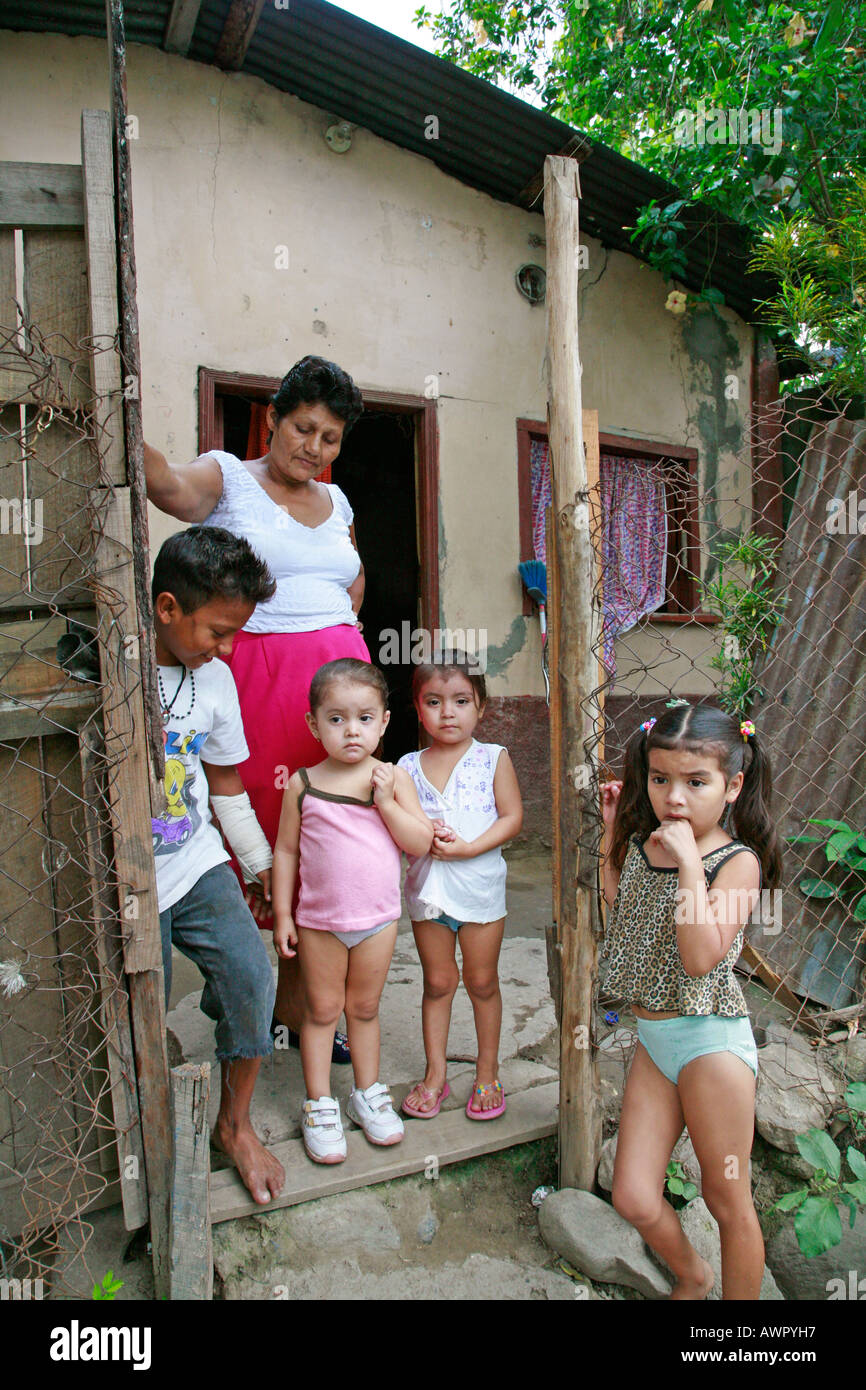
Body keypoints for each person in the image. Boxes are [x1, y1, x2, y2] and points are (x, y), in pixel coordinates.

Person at [144, 356, 368, 1061]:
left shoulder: (341, 505)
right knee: (264, 848)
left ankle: (305, 1011)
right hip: (261, 689)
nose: (314, 448)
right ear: (274, 417)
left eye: (330, 438)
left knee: (325, 849)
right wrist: (115, 417)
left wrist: (342, 643)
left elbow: (352, 580)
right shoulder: (228, 476)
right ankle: (244, 990)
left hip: (334, 702)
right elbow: (169, 490)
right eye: (304, 428)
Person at [600, 701, 782, 1300]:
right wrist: (610, 834)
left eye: (695, 783)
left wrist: (687, 867)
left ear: (731, 787)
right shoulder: (646, 844)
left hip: (709, 1042)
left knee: (725, 1197)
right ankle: (693, 1276)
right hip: (656, 1039)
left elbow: (701, 956)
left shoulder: (737, 863)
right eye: (660, 780)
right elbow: (621, 906)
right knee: (630, 1194)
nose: (674, 798)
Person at [151, 526, 285, 1205]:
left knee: (251, 979)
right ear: (168, 608)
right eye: (218, 631)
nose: (228, 648)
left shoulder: (215, 679)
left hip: (193, 861)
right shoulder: (106, 669)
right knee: (141, 1009)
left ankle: (233, 1126)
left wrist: (261, 869)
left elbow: (226, 786)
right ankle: (143, 1137)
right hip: (126, 882)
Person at [270, 658, 434, 1164]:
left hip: (378, 922)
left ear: (384, 721)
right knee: (320, 1013)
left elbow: (420, 841)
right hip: (319, 923)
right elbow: (286, 852)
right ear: (313, 725)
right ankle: (320, 1103)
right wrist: (282, 915)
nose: (351, 730)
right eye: (336, 719)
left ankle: (367, 1093)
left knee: (363, 1010)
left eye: (365, 717)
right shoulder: (302, 784)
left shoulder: (392, 779)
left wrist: (386, 802)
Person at [397, 655, 524, 1121]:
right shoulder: (405, 767)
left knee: (482, 981)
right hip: (427, 894)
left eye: (460, 701)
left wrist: (470, 849)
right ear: (417, 707)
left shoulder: (493, 758)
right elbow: (398, 826)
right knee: (437, 982)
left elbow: (512, 818)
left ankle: (487, 1070)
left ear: (481, 708)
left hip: (480, 893)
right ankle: (435, 1073)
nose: (448, 713)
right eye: (434, 702)